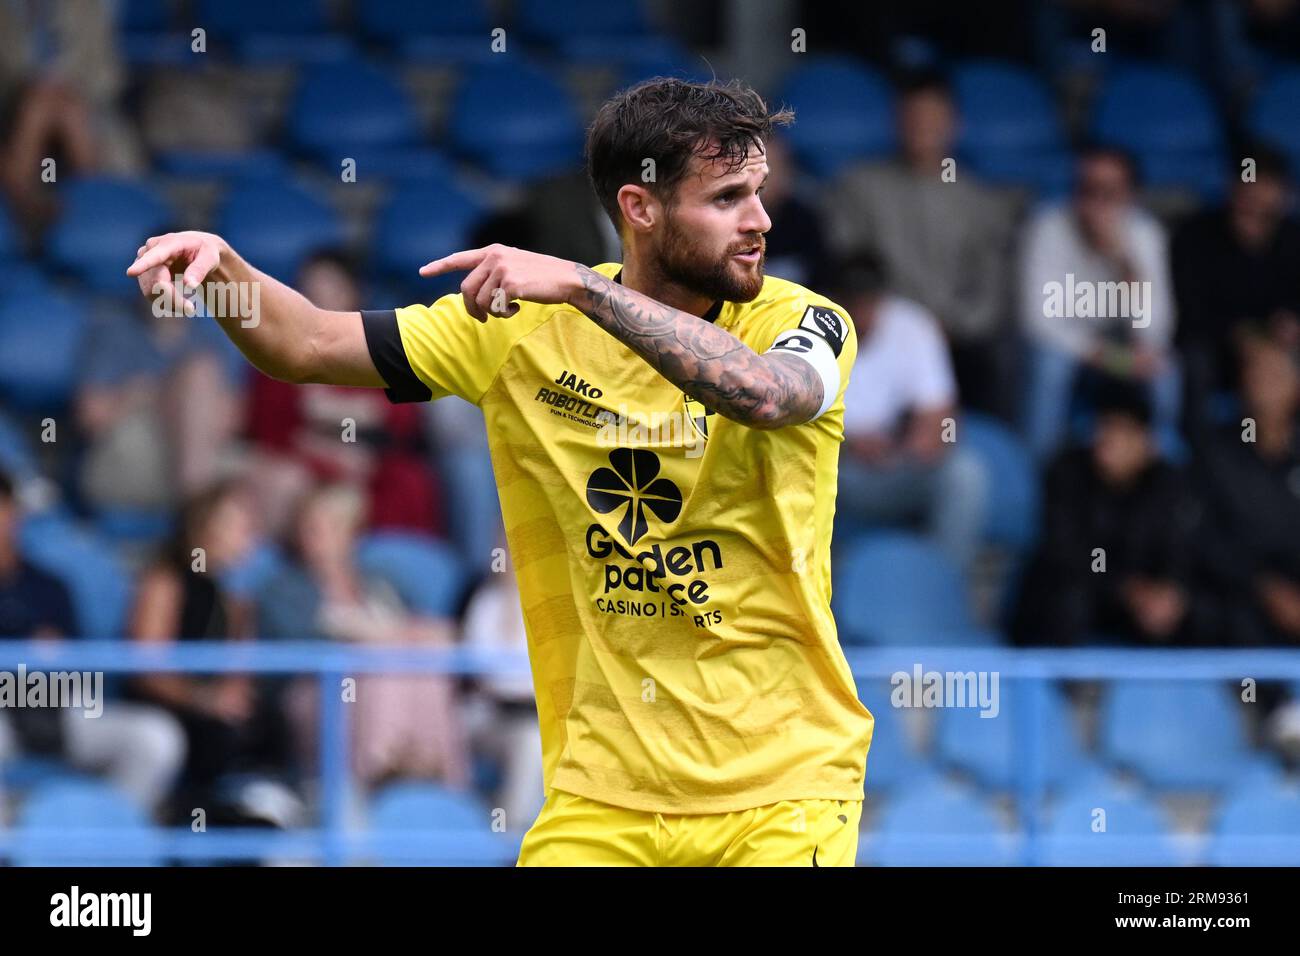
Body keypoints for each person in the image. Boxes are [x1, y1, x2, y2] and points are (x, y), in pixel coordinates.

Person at [127, 77, 872, 867]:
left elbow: (763, 394)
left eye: (758, 193)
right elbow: (308, 345)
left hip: (782, 792)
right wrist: (225, 276)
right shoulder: (520, 333)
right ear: (641, 208)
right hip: (602, 798)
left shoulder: (803, 320)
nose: (759, 220)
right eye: (727, 198)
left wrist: (585, 286)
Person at [825, 71, 1014, 417]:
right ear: (896, 121)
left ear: (954, 124)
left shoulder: (978, 200)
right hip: (876, 331)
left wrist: (951, 327)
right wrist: (894, 321)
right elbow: (847, 268)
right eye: (913, 117)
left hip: (955, 340)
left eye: (933, 119)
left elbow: (988, 290)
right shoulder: (860, 186)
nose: (922, 127)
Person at [258, 482, 470, 790]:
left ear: (351, 534)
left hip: (384, 687)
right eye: (311, 528)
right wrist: (368, 637)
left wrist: (403, 634)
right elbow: (302, 643)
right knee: (382, 668)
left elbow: (410, 630)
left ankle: (435, 777)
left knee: (424, 667)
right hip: (317, 691)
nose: (317, 538)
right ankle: (376, 780)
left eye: (330, 528)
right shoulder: (284, 588)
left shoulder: (375, 584)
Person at [0, 470, 184, 816]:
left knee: (155, 738)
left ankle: (99, 840)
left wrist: (53, 659)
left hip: (54, 705)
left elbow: (79, 670)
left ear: (15, 514)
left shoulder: (48, 586)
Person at [126, 480, 298, 824]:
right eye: (239, 524)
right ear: (205, 526)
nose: (249, 535)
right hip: (171, 708)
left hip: (211, 709)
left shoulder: (231, 596)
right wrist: (204, 699)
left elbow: (237, 670)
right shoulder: (166, 581)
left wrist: (231, 695)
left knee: (273, 722)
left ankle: (264, 816)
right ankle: (188, 822)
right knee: (212, 734)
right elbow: (146, 669)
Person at [1010, 385, 1207, 647]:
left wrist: (1170, 590)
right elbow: (1064, 553)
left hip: (1135, 604)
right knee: (1068, 599)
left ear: (1146, 443)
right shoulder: (1066, 471)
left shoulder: (1169, 482)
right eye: (1104, 426)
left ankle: (1212, 684)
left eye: (1122, 430)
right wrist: (1127, 589)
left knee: (1202, 609)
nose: (1109, 438)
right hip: (1078, 592)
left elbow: (1179, 548)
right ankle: (1065, 681)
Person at [1018, 145, 1180, 461]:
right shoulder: (1048, 229)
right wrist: (1106, 356)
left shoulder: (1145, 235)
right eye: (1088, 189)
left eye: (1110, 192)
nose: (1097, 202)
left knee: (1165, 370)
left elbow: (1155, 333)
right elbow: (1037, 322)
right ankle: (1042, 472)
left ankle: (1161, 469)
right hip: (1072, 353)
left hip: (1120, 351)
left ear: (1130, 195)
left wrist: (1124, 264)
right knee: (1050, 367)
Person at [832, 250, 988, 571]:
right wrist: (848, 442)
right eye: (853, 300)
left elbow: (944, 416)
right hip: (835, 470)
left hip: (897, 461)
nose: (862, 310)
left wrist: (924, 443)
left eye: (869, 300)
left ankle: (940, 591)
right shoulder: (809, 326)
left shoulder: (912, 324)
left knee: (964, 473)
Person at [1172, 145, 1300, 435]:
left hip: (1278, 349)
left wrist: (1291, 322)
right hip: (1216, 349)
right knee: (1195, 361)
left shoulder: (1294, 239)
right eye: (1247, 200)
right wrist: (1240, 336)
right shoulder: (1195, 236)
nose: (1253, 213)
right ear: (1232, 188)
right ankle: (1199, 453)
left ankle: (1285, 456)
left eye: (1264, 209)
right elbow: (1190, 313)